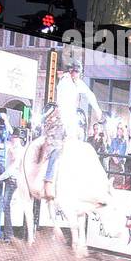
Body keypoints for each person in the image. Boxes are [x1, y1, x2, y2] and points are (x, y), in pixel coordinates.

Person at [41, 58, 103, 200]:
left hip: (71, 119)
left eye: (78, 72)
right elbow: (62, 104)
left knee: (80, 142)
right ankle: (49, 178)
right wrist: (66, 122)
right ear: (71, 72)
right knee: (57, 146)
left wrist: (97, 110)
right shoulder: (64, 83)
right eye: (75, 72)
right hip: (63, 118)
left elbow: (90, 95)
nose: (76, 74)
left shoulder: (78, 84)